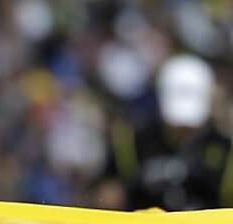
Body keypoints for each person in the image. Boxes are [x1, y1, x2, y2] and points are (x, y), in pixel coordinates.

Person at [96, 54, 233, 211]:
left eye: (191, 126)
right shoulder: (133, 144)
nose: (184, 130)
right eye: (177, 124)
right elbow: (105, 196)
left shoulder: (225, 152)